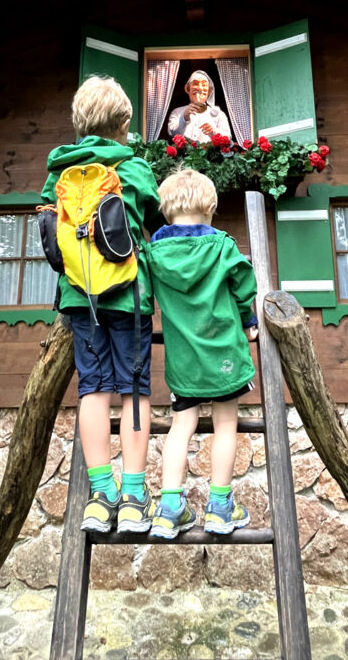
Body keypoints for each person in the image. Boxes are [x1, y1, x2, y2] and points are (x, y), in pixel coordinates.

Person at [41, 75, 162, 534]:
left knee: (93, 388)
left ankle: (99, 494)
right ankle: (133, 494)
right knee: (134, 388)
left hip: (79, 296)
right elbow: (151, 219)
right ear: (123, 122)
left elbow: (51, 229)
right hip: (129, 295)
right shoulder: (132, 168)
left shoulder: (58, 172)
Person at [143, 168, 258, 537]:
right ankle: (220, 506)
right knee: (226, 425)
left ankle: (169, 505)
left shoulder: (153, 254)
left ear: (165, 210)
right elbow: (244, 286)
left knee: (181, 427)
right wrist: (248, 320)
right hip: (223, 354)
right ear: (210, 207)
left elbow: (143, 293)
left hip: (183, 361)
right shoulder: (222, 246)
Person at [167, 70, 232, 144]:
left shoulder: (218, 114)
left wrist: (213, 131)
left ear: (209, 92)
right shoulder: (177, 112)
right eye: (195, 84)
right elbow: (172, 133)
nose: (200, 88)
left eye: (204, 85)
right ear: (187, 89)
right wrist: (184, 117)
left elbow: (227, 139)